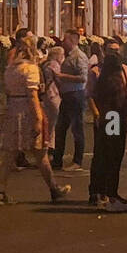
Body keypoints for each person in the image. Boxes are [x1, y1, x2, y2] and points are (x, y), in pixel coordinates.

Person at [0, 38, 69, 204]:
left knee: (9, 154)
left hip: (12, 109)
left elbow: (8, 90)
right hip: (27, 110)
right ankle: (54, 189)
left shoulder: (10, 69)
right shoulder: (31, 69)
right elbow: (32, 96)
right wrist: (38, 118)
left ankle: (0, 191)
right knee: (41, 153)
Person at [88, 52, 127, 210]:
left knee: (103, 154)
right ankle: (109, 192)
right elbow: (118, 102)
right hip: (114, 118)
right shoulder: (114, 81)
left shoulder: (102, 79)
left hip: (107, 117)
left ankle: (101, 191)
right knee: (113, 154)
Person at [50, 31, 89, 171]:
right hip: (67, 95)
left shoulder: (79, 56)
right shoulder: (67, 56)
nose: (62, 41)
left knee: (77, 128)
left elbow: (83, 77)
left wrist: (62, 76)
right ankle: (57, 160)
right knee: (60, 128)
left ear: (72, 41)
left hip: (76, 94)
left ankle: (77, 161)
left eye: (65, 39)